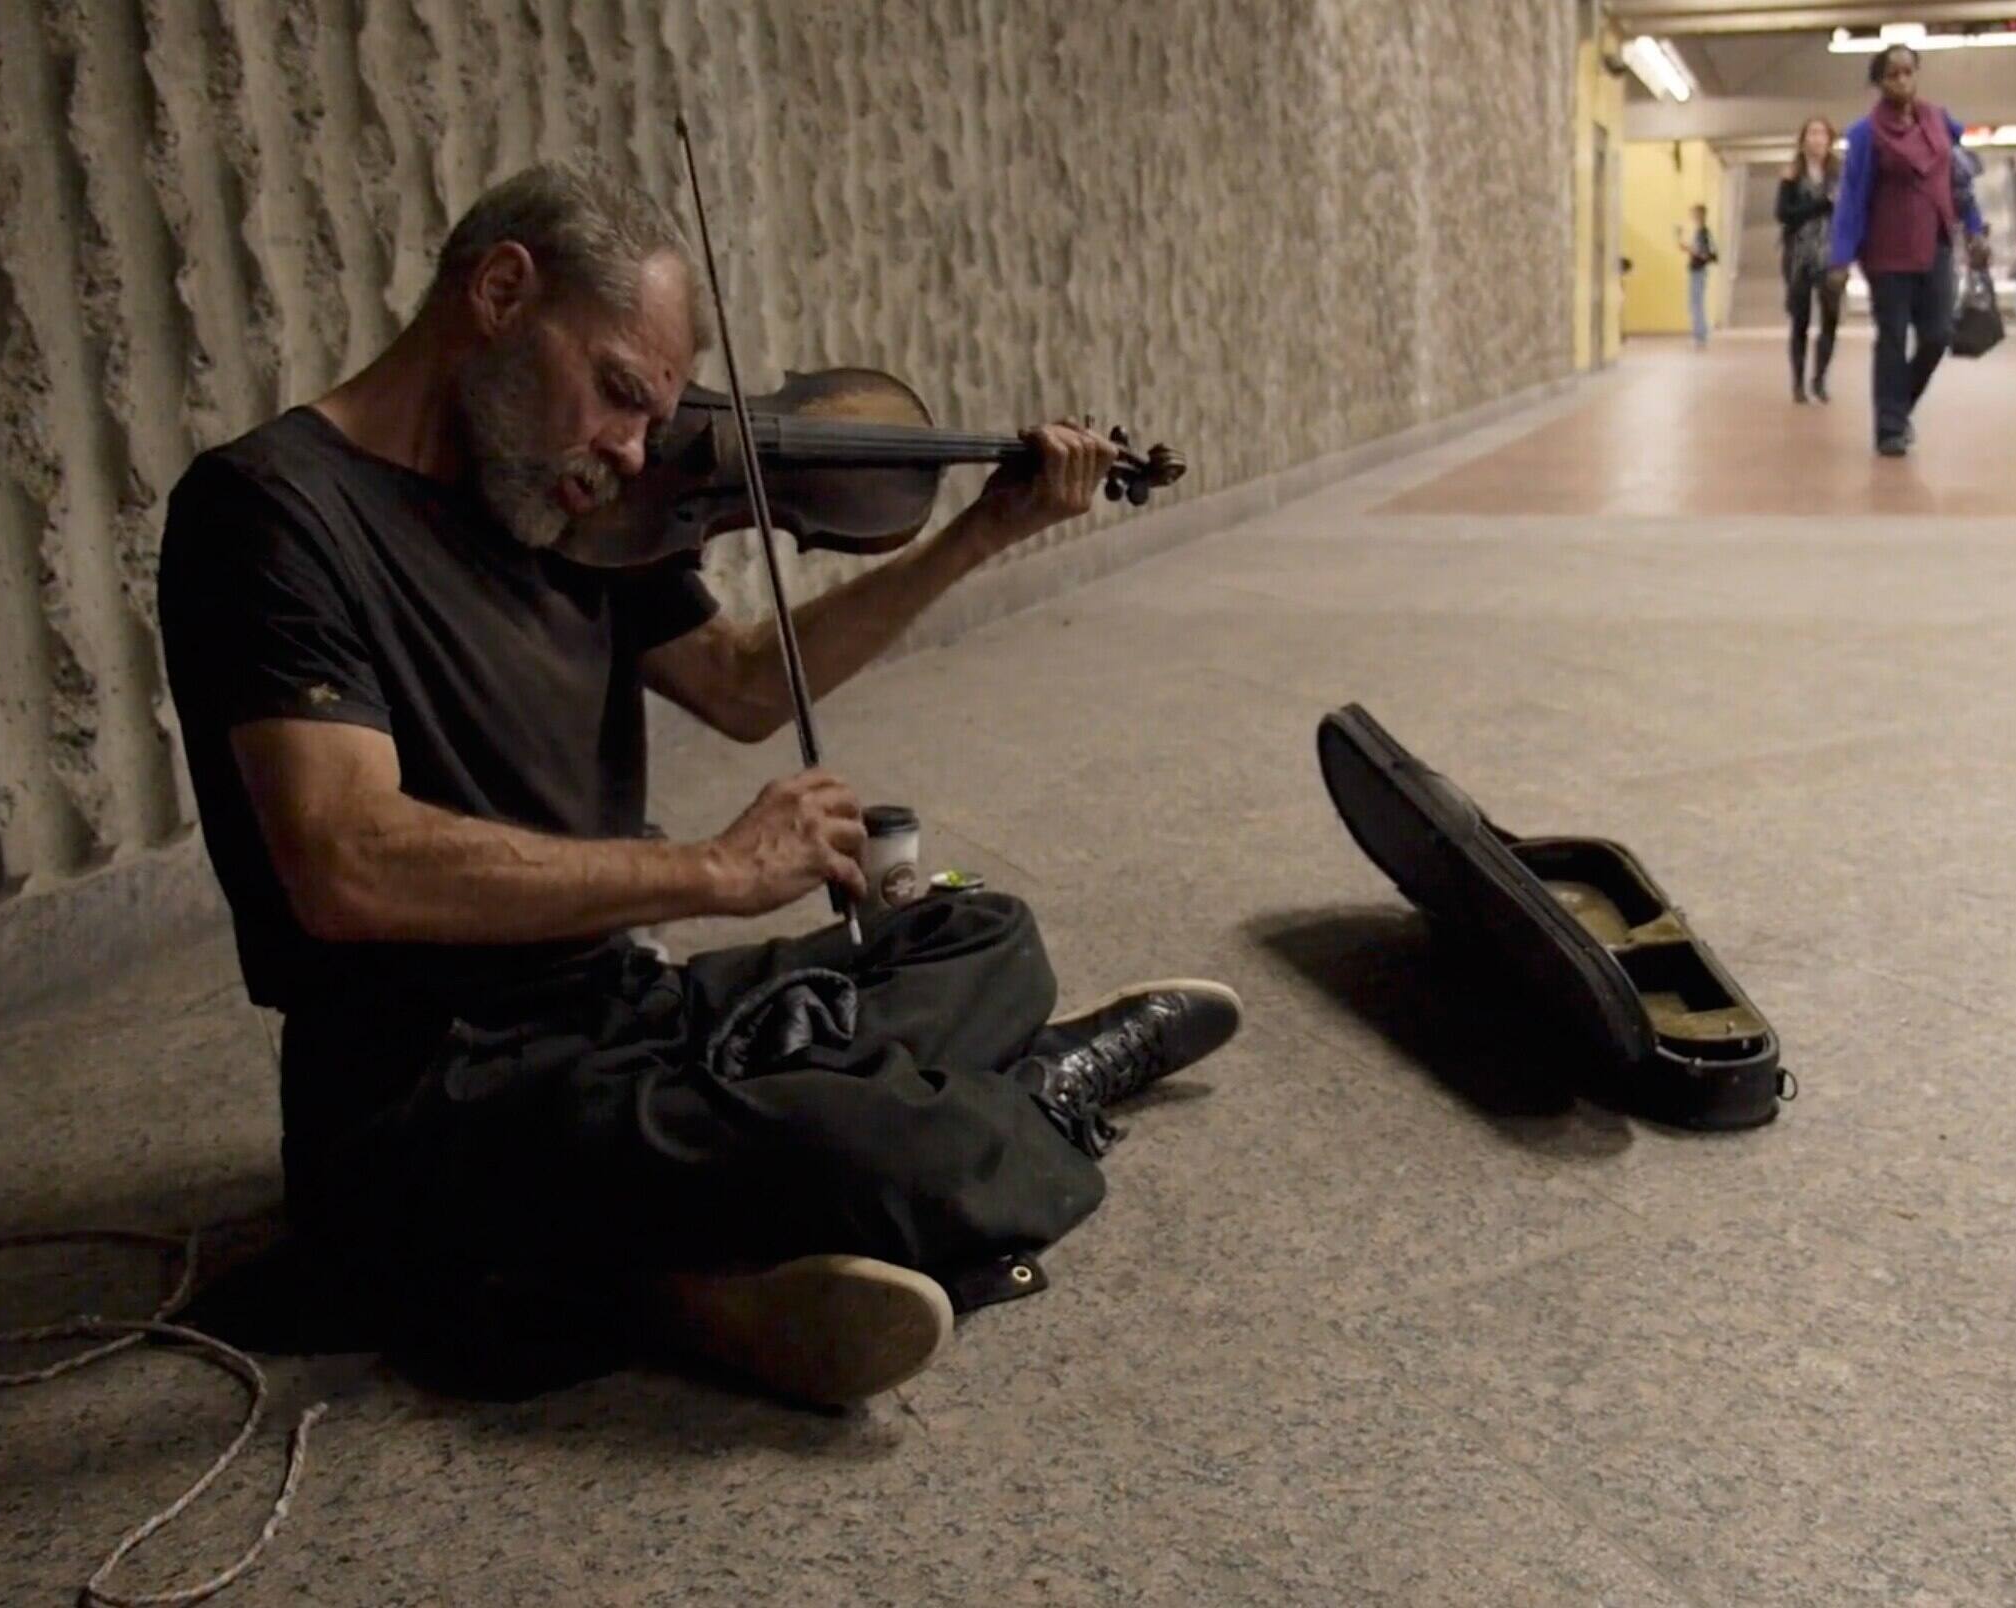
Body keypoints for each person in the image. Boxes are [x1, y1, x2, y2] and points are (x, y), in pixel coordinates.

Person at [154, 158, 1244, 1408]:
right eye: (619, 392)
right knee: (887, 1144)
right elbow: (344, 860)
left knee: (983, 934)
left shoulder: (566, 502)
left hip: (618, 1007)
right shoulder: (271, 514)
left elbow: (738, 683)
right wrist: (712, 874)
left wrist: (979, 534)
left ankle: (707, 1228)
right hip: (438, 1091)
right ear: (503, 291)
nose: (632, 447)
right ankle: (984, 1111)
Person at [1825, 43, 1991, 457]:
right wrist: (1840, 259)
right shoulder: (1866, 135)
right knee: (1893, 339)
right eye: (1892, 75)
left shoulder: (1939, 122)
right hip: (1888, 253)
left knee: (1936, 336)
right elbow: (1852, 197)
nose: (1901, 81)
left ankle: (1900, 409)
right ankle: (1889, 429)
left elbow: (1959, 181)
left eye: (1907, 72)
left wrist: (1974, 230)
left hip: (1936, 244)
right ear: (1879, 82)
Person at [1776, 118, 1845, 403]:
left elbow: (1849, 212)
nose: (1817, 138)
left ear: (1830, 139)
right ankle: (1797, 383)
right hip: (1799, 257)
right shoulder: (1792, 174)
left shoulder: (1840, 173)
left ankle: (1819, 379)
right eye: (1812, 133)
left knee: (1830, 321)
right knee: (1800, 321)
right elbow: (1783, 213)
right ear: (1803, 139)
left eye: (1822, 133)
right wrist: (1822, 204)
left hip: (1831, 256)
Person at [1684, 204, 1718, 349]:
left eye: (1695, 214)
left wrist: (1692, 251)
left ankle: (1700, 335)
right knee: (1695, 303)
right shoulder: (1700, 232)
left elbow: (1704, 253)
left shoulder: (1703, 233)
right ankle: (1699, 334)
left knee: (1696, 303)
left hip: (1699, 271)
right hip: (1696, 270)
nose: (1693, 217)